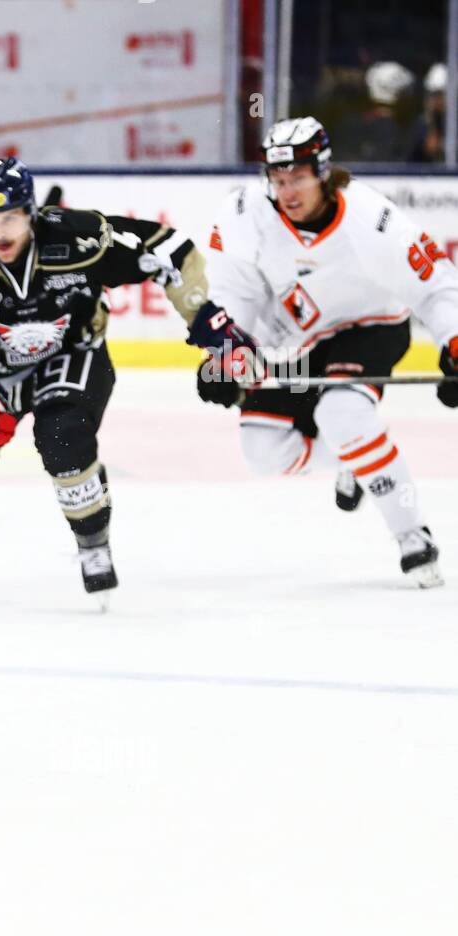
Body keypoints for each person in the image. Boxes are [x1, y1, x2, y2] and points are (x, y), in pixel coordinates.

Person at [0, 157, 235, 603]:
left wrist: (203, 314)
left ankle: (93, 541)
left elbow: (167, 248)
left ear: (30, 212)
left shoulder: (81, 237)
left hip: (74, 355)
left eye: (10, 217)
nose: (1, 233)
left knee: (64, 438)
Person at [200, 116, 456, 587]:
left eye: (297, 178)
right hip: (296, 336)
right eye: (278, 180)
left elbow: (436, 283)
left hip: (370, 327)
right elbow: (235, 290)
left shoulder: (370, 218)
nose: (288, 192)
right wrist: (226, 353)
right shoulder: (245, 212)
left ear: (322, 172)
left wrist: (454, 343)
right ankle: (350, 459)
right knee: (263, 452)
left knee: (344, 415)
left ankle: (411, 534)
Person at [409, 63, 446, 163]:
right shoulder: (423, 122)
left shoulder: (452, 124)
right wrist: (432, 118)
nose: (437, 100)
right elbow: (431, 148)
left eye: (441, 95)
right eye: (433, 95)